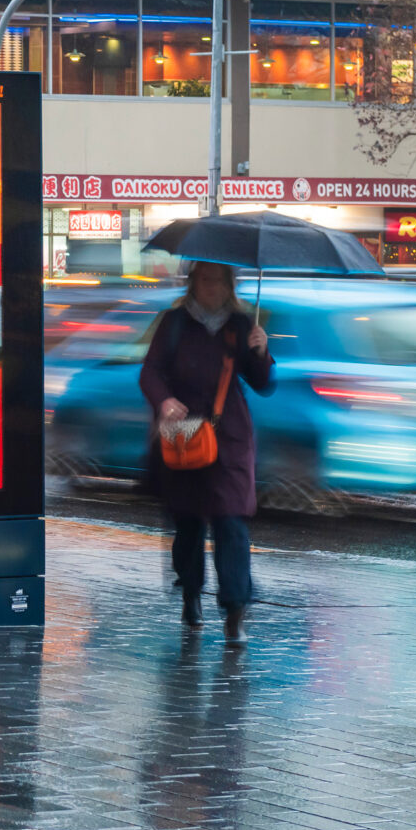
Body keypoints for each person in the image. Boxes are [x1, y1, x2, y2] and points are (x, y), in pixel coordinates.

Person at [139, 260, 275, 645]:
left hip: (229, 438)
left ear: (229, 285)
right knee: (189, 522)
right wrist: (164, 402)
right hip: (183, 434)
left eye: (218, 281)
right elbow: (149, 373)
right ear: (193, 282)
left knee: (231, 523)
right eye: (204, 280)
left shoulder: (241, 325)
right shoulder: (175, 323)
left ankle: (235, 612)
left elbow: (263, 383)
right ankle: (191, 593)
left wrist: (262, 354)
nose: (211, 287)